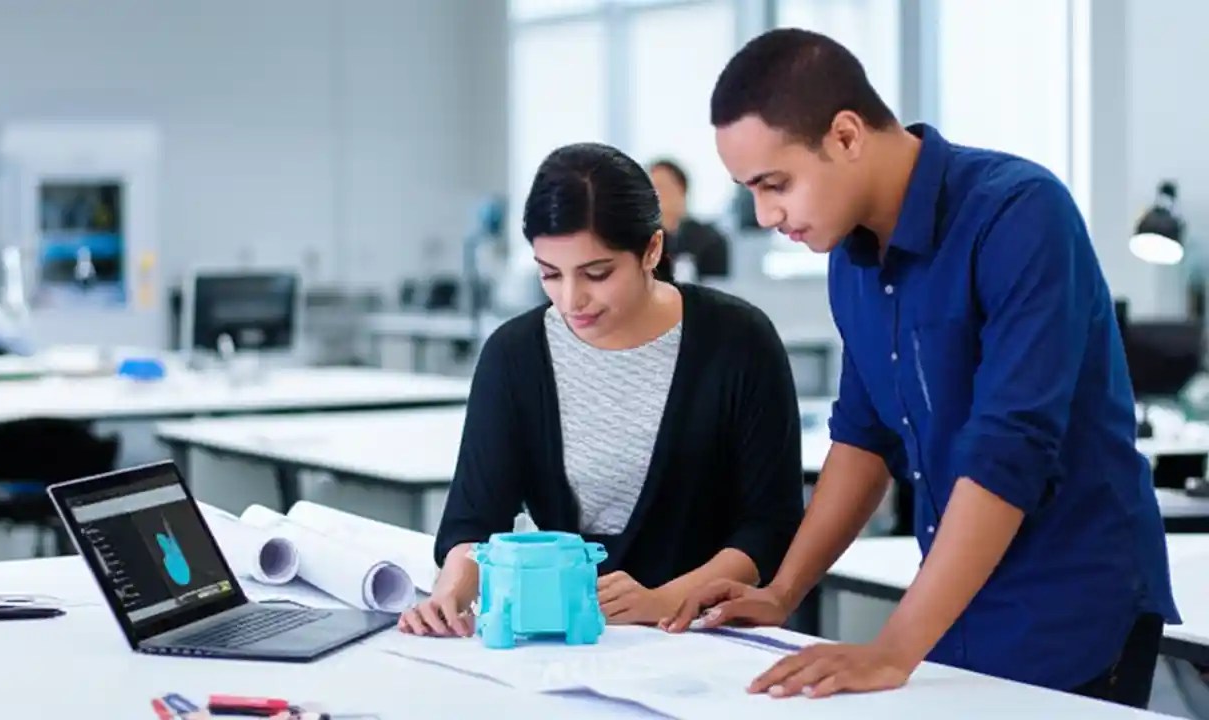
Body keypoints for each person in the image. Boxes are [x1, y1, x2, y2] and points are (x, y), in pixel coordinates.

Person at [662, 28, 1180, 710]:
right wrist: (782, 592)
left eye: (775, 184)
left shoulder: (1018, 213)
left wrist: (893, 648)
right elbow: (862, 436)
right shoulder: (852, 259)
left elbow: (1009, 451)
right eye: (749, 191)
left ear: (846, 136)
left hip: (1070, 608)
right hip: (954, 608)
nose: (765, 215)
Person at [398, 141, 804, 637]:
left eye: (597, 273)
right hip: (564, 641)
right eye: (550, 274)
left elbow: (769, 525)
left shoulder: (738, 341)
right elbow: (474, 522)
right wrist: (452, 590)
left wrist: (665, 600)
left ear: (651, 250)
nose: (572, 300)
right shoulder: (515, 355)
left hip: (707, 637)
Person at [647, 158, 731, 281]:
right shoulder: (645, 241)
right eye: (650, 189)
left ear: (682, 189)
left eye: (660, 187)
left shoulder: (710, 240)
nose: (655, 195)